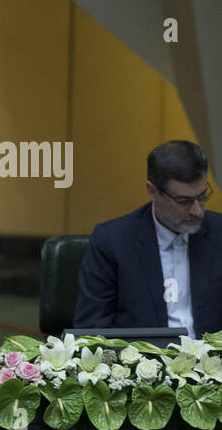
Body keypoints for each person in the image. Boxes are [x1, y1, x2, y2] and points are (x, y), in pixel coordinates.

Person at [74, 140, 220, 337]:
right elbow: (92, 330)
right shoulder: (112, 241)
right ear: (153, 191)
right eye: (184, 201)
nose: (196, 211)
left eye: (202, 196)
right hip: (143, 362)